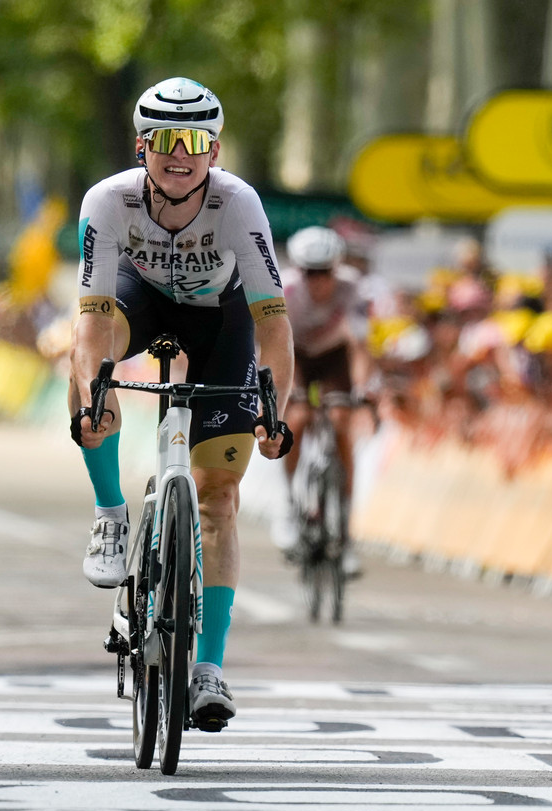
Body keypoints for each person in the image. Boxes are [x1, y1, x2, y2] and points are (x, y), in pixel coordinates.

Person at [68, 77, 294, 732]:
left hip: (220, 320)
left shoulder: (239, 204)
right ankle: (111, 514)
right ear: (141, 146)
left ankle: (209, 668)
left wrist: (274, 407)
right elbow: (91, 319)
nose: (178, 154)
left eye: (194, 142)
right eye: (165, 139)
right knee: (85, 370)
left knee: (218, 497)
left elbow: (273, 323)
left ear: (214, 152)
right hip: (136, 301)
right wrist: (95, 393)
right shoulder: (107, 201)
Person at [279, 226, 369, 576]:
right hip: (295, 355)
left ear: (336, 268)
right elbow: (273, 342)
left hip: (333, 355)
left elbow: (360, 344)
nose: (318, 281)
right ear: (299, 270)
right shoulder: (285, 289)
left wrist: (363, 385)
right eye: (310, 273)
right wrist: (281, 389)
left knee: (342, 422)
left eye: (325, 272)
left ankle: (344, 530)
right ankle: (290, 506)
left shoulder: (352, 286)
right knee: (298, 419)